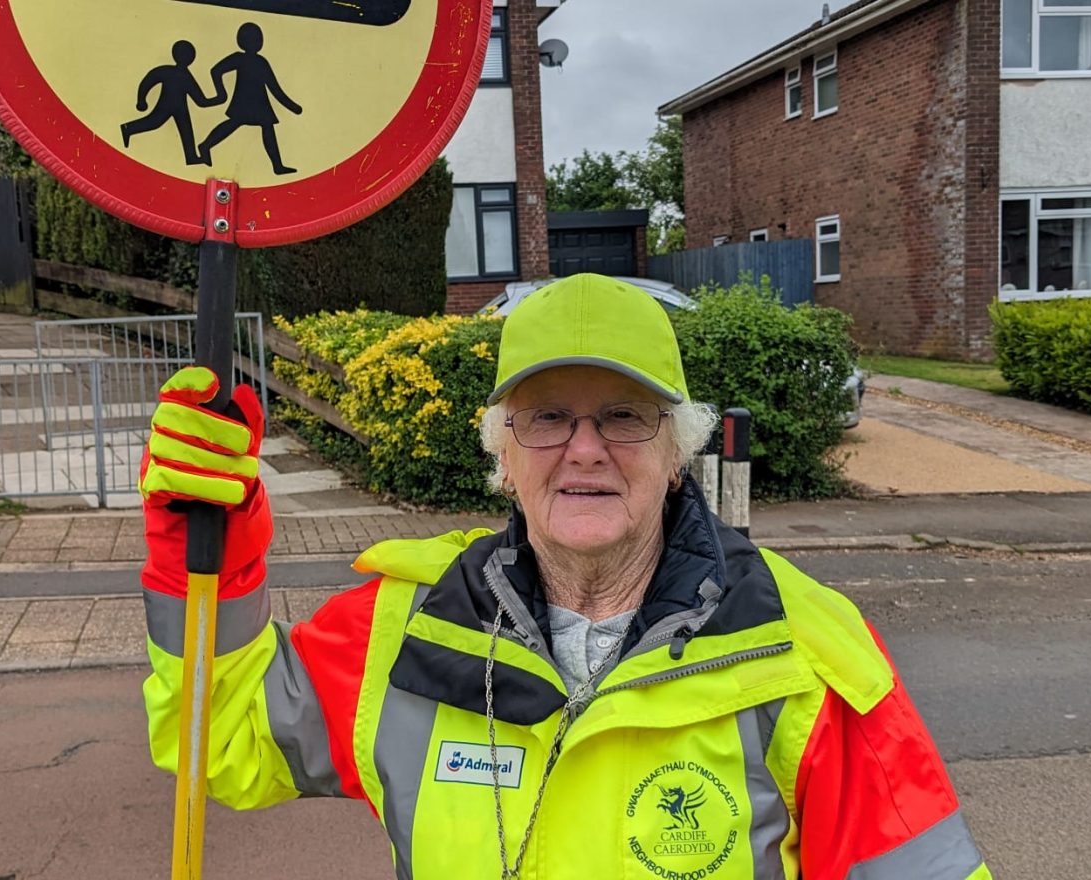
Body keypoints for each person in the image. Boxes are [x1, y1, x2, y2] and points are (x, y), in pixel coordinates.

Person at [139, 273, 992, 879]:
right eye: (546, 416)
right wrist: (202, 560)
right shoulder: (404, 631)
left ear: (677, 448)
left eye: (623, 415)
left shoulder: (803, 652)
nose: (584, 448)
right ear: (503, 456)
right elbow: (224, 745)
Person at [196, 22, 302, 174]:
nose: (257, 42)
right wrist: (221, 93)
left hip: (259, 103)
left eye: (258, 39)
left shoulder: (261, 62)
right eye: (253, 39)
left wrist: (291, 106)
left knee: (265, 127)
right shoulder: (239, 58)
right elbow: (216, 70)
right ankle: (205, 145)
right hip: (244, 101)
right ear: (242, 41)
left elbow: (274, 87)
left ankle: (277, 166)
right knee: (234, 124)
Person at [120, 40, 221, 165]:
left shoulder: (183, 75)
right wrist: (141, 100)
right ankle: (128, 128)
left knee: (186, 130)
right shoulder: (172, 72)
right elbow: (149, 80)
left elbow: (200, 100)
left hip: (180, 108)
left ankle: (191, 156)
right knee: (154, 122)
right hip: (166, 105)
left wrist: (218, 100)